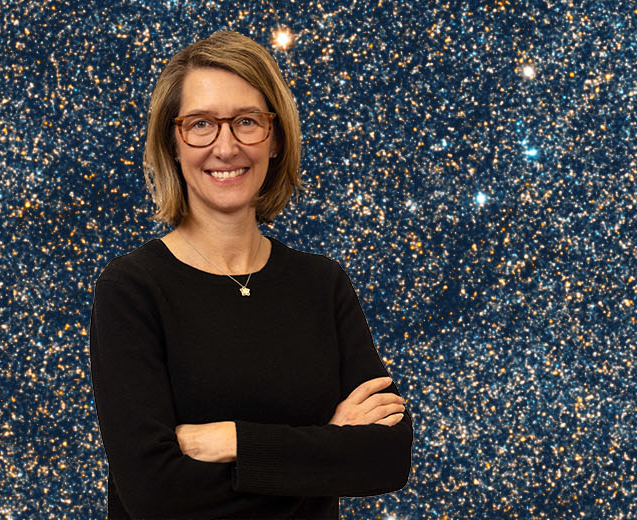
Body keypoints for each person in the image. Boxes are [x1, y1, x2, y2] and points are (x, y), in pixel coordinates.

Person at [88, 30, 414, 519]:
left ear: (276, 137)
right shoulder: (132, 290)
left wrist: (231, 440)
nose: (226, 147)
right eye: (200, 124)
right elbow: (156, 497)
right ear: (172, 143)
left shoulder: (322, 285)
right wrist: (326, 445)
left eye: (247, 121)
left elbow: (386, 459)